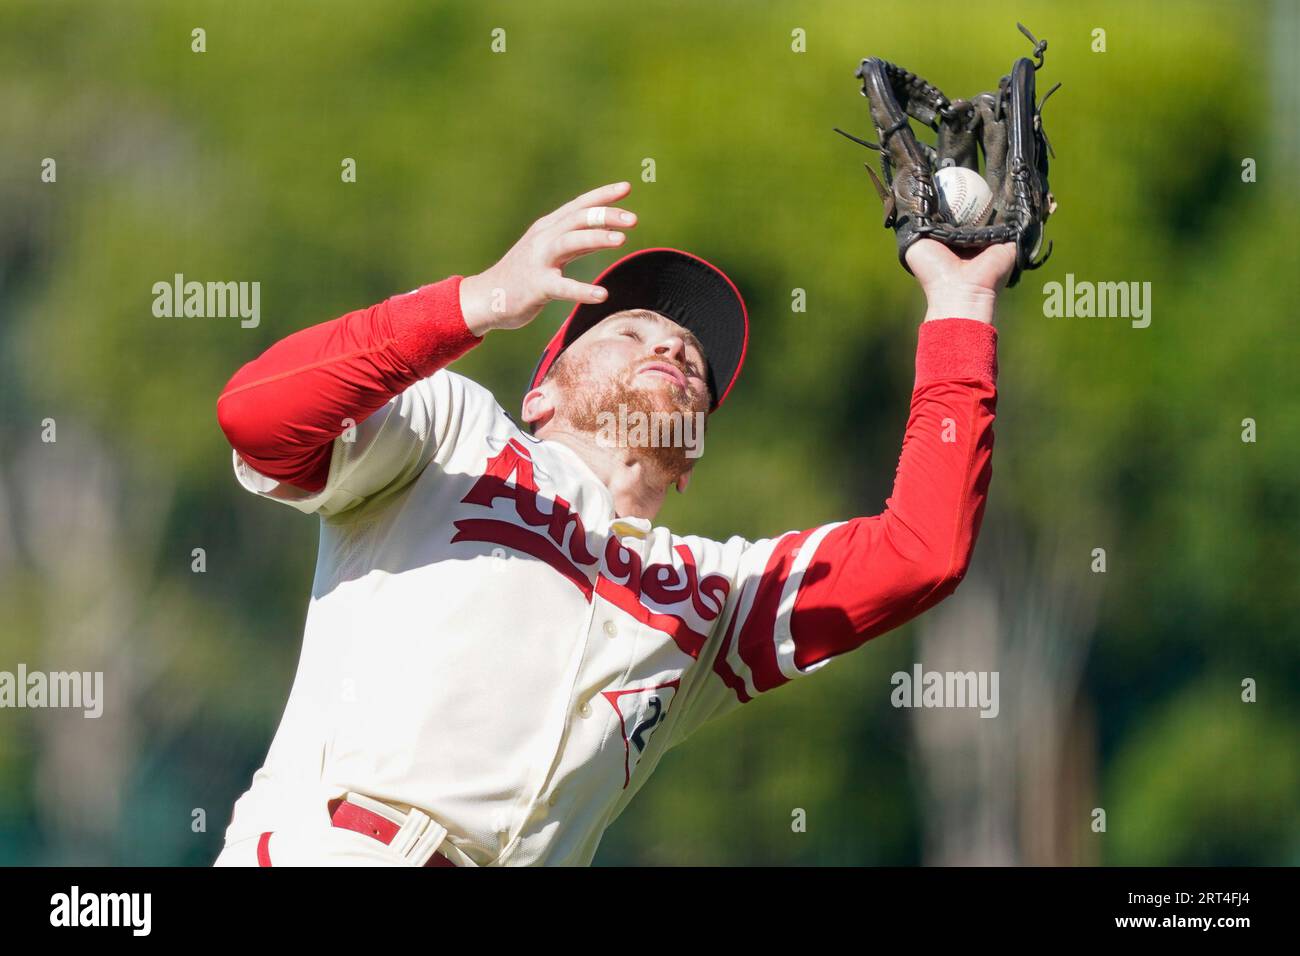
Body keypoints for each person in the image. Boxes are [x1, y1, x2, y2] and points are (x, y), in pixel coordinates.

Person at [212, 181, 1014, 866]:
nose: (670, 340)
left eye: (692, 360)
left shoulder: (716, 597)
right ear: (542, 396)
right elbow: (256, 415)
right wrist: (478, 301)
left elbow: (922, 552)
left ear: (690, 456)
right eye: (628, 330)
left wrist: (960, 304)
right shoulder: (457, 434)